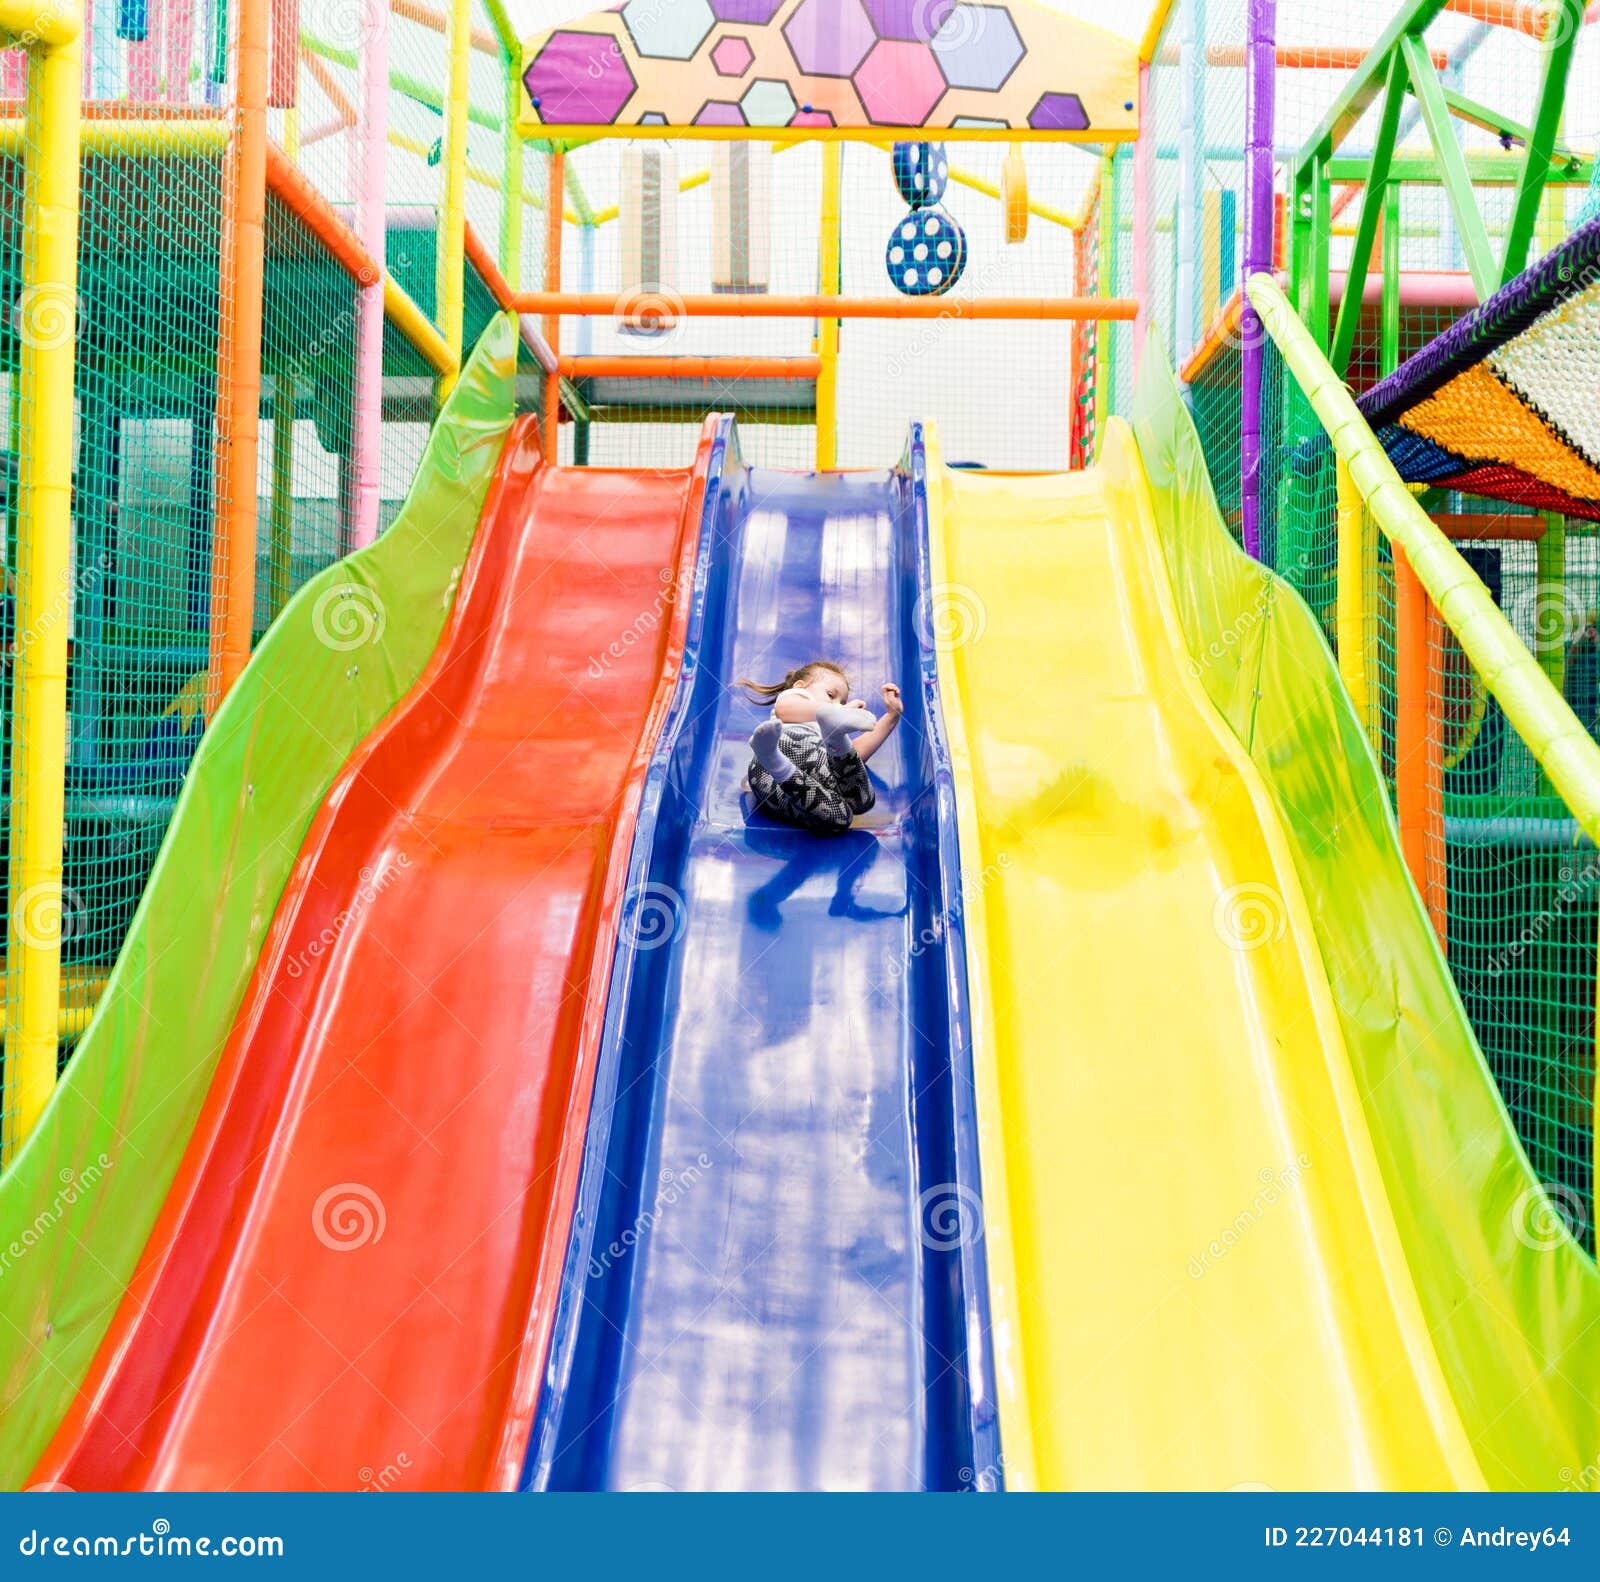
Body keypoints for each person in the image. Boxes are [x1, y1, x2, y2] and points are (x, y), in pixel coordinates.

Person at [740, 660, 902, 835]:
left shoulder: (829, 726)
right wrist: (839, 711)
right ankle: (771, 757)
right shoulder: (794, 700)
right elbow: (784, 710)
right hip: (771, 763)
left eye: (842, 702)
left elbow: (857, 755)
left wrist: (892, 715)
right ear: (800, 687)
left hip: (791, 786)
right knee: (824, 749)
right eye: (831, 695)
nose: (837, 704)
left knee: (851, 810)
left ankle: (781, 760)